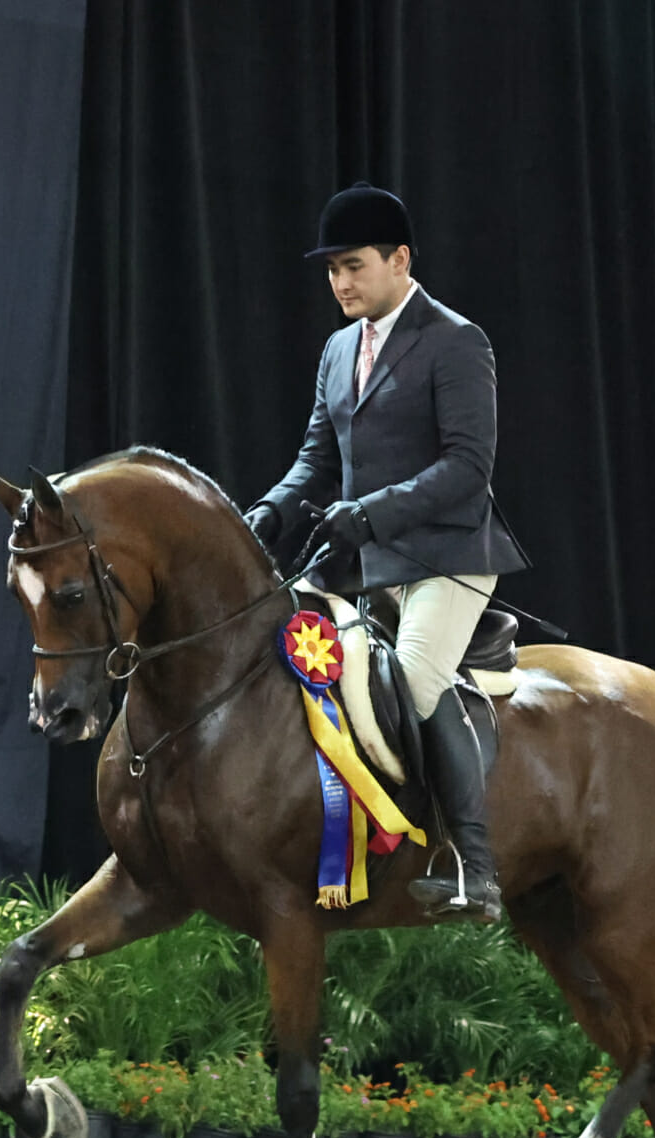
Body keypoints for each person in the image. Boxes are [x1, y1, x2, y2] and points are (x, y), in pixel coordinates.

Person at [245, 182, 529, 921]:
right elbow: (316, 456)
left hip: (449, 554)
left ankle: (474, 865)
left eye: (354, 266)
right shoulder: (339, 349)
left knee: (408, 682)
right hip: (370, 560)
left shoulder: (457, 341)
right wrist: (271, 508)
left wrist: (370, 513)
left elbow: (469, 466)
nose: (340, 282)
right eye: (332, 269)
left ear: (400, 259)